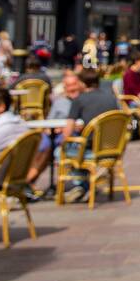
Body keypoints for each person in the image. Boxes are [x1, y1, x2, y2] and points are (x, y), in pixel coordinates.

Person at [25, 68, 118, 202]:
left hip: (91, 149)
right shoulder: (111, 98)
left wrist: (63, 141)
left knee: (59, 152)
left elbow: (67, 135)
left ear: (82, 83)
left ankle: (85, 185)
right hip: (112, 148)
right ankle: (86, 183)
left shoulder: (80, 100)